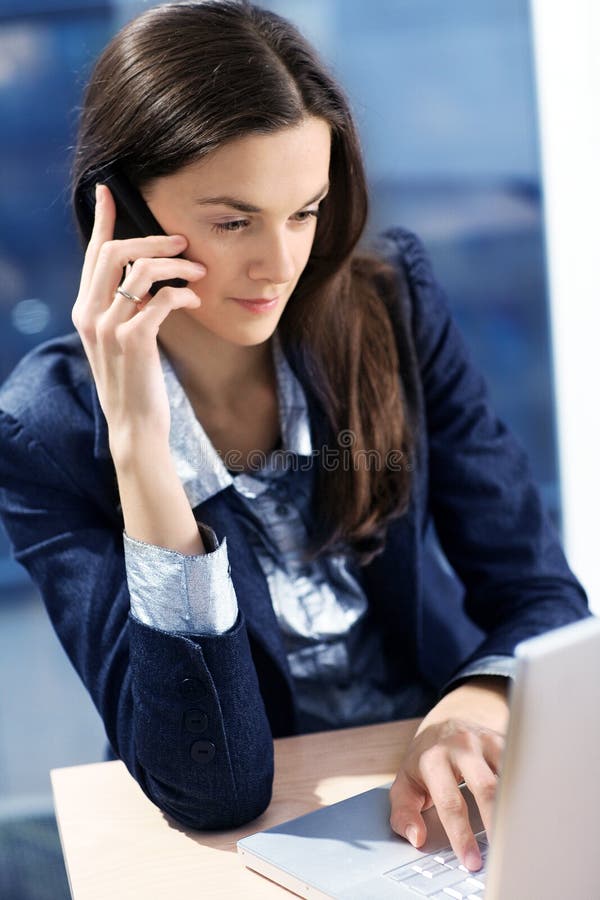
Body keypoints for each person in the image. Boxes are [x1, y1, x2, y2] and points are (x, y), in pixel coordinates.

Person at [0, 0, 588, 877]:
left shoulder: (389, 310)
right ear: (120, 210)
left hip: (433, 798)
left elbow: (540, 593)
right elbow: (214, 790)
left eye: (305, 211)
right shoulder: (45, 431)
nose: (280, 264)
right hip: (238, 840)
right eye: (234, 221)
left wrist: (476, 704)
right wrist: (140, 444)